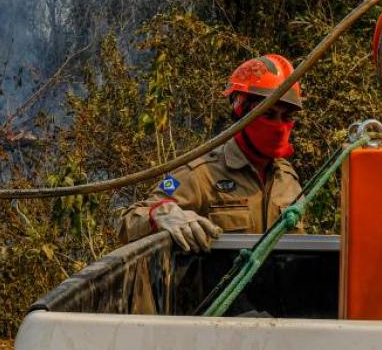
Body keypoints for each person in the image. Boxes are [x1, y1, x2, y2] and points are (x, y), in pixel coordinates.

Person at [117, 55, 304, 252]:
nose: (279, 126)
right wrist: (161, 214)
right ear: (241, 111)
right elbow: (129, 218)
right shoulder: (200, 173)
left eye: (287, 117)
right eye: (268, 114)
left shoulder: (287, 178)